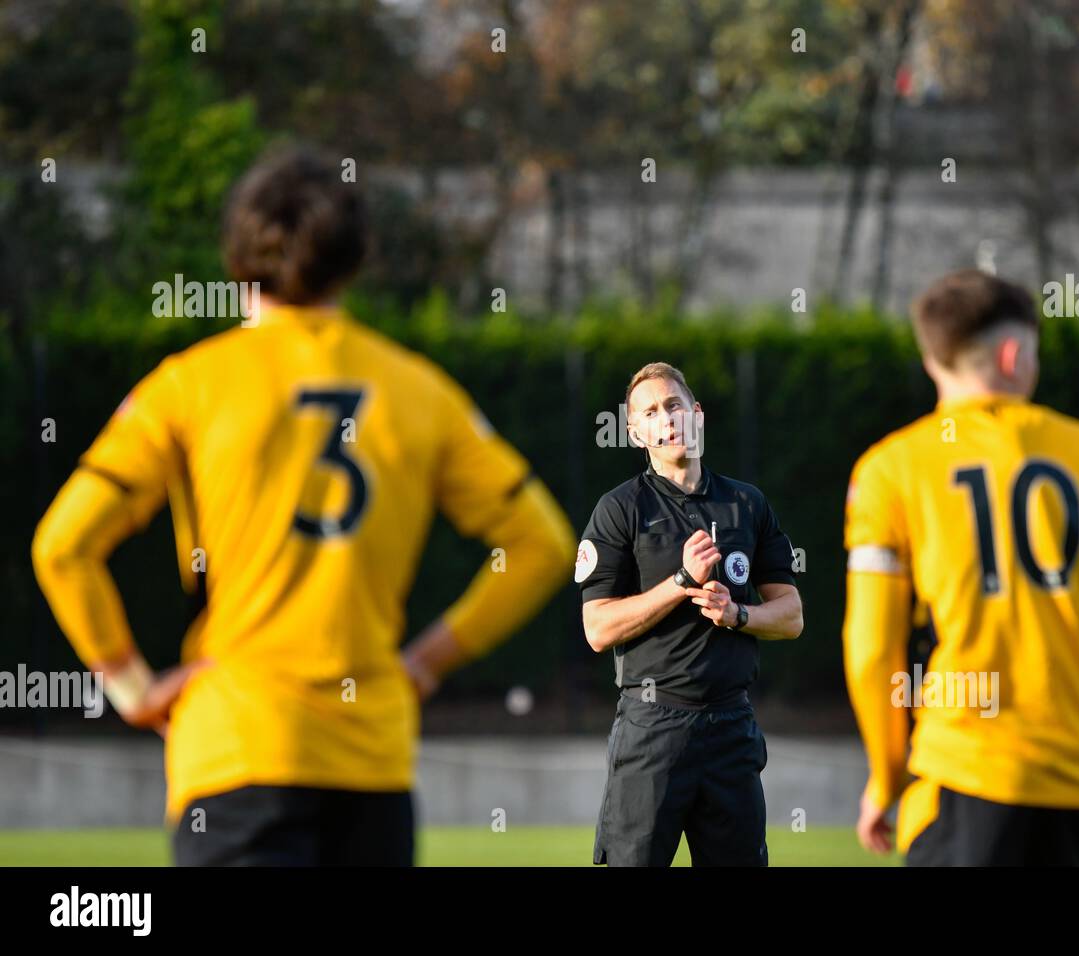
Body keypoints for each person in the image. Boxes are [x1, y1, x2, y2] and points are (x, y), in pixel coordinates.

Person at [30, 146, 575, 866]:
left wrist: (131, 687)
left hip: (239, 749)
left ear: (237, 253)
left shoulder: (190, 384)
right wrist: (425, 663)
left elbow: (62, 547)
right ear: (355, 258)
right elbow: (542, 543)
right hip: (371, 765)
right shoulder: (419, 392)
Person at [842, 269, 1079, 866]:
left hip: (963, 777)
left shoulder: (891, 468)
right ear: (1012, 353)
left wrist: (886, 777)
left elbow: (872, 650)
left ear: (933, 360)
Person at [578, 362, 803, 866]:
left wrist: (738, 615)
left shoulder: (748, 504)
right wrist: (680, 583)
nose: (667, 419)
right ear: (635, 432)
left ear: (696, 414)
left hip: (730, 726)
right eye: (651, 412)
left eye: (674, 405)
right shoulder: (619, 510)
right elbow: (597, 629)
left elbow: (791, 616)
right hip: (652, 728)